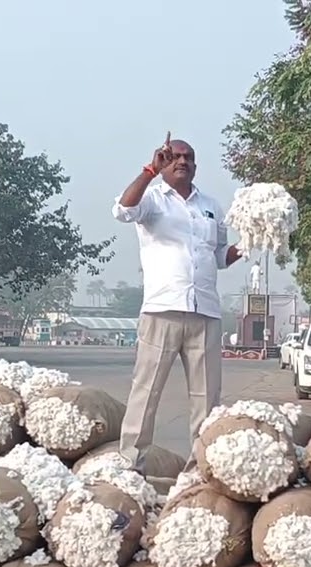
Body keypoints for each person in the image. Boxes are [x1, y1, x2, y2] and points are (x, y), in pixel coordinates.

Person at [112, 133, 242, 472]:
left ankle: (200, 468)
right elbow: (124, 210)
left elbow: (220, 257)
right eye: (175, 157)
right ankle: (131, 465)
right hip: (162, 309)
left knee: (206, 399)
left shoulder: (211, 206)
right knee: (146, 392)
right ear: (164, 163)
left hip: (205, 313)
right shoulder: (153, 199)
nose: (182, 161)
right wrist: (148, 171)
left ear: (196, 165)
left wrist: (253, 241)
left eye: (189, 157)